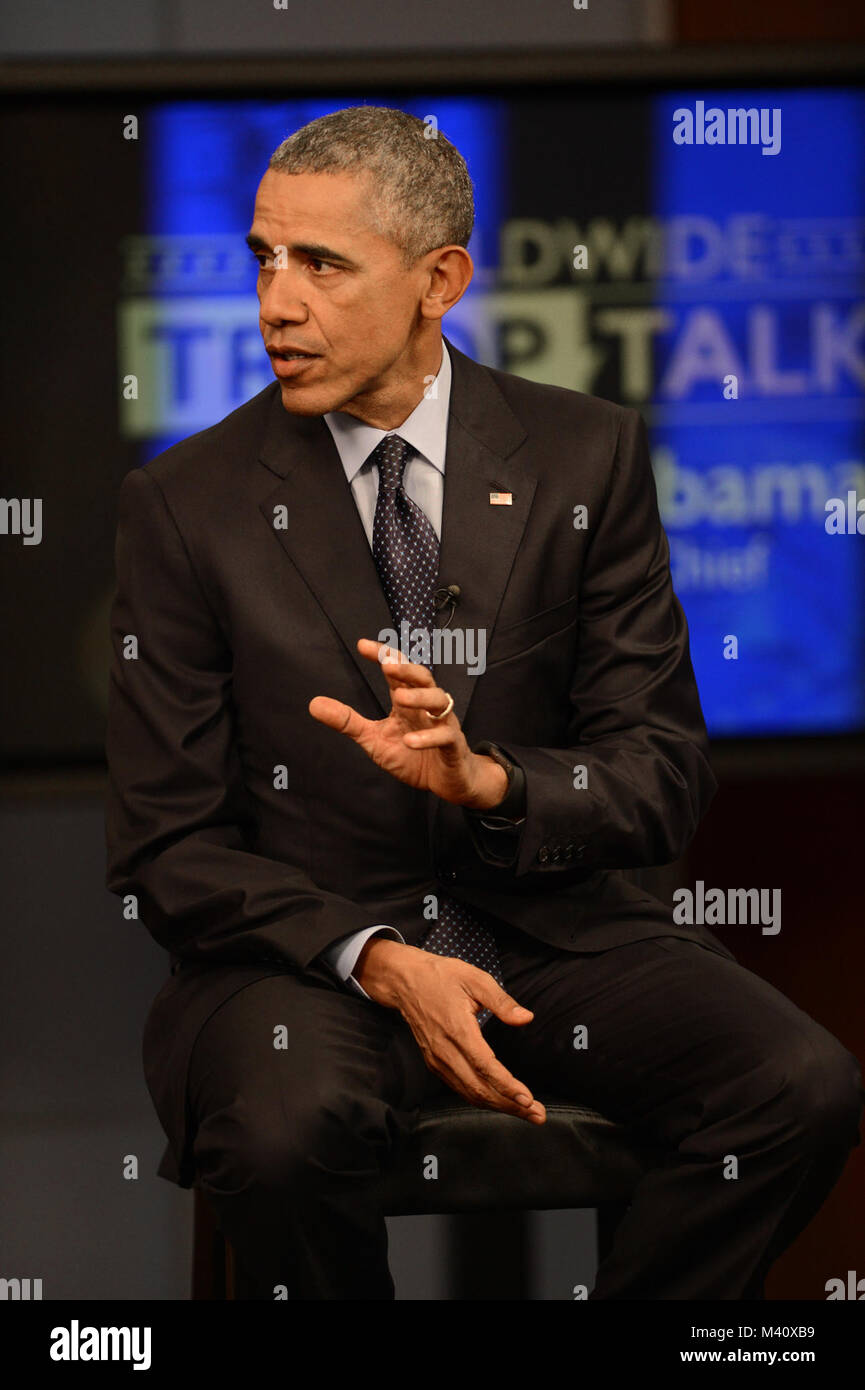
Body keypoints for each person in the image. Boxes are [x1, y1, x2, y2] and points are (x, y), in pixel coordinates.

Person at [105, 105, 862, 1300]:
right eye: (263, 258)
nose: (275, 303)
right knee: (283, 1134)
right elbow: (165, 847)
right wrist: (379, 957)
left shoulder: (584, 456)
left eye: (321, 264)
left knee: (797, 1088)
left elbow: (660, 769)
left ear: (439, 280)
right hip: (308, 965)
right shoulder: (186, 504)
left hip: (551, 939)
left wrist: (494, 782)